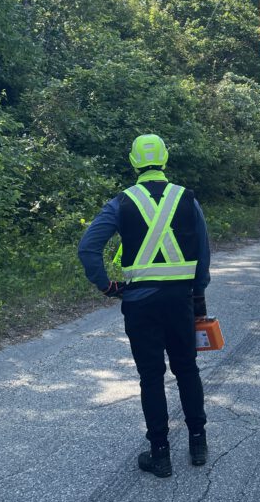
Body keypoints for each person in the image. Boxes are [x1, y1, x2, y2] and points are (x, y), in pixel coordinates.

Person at [78, 134, 210, 478]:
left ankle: (160, 454)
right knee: (187, 370)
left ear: (134, 162)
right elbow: (204, 252)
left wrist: (106, 285)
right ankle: (198, 443)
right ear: (165, 159)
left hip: (140, 304)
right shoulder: (187, 199)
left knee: (151, 376)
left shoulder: (121, 202)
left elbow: (88, 248)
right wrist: (199, 295)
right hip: (180, 301)